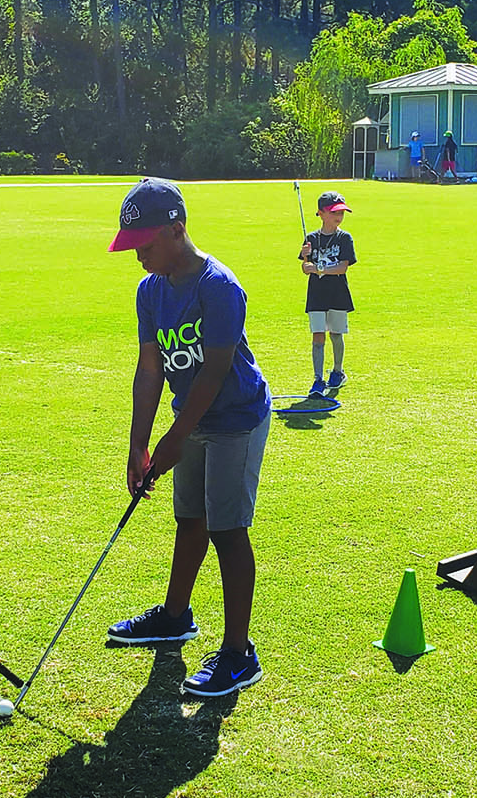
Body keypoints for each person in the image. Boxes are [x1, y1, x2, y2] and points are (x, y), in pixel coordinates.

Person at [105, 179, 274, 698]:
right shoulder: (150, 290)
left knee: (227, 530)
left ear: (178, 230)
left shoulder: (219, 287)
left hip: (235, 418)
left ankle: (240, 653)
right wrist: (140, 442)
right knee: (189, 521)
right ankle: (176, 617)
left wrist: (174, 439)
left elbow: (216, 371)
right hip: (192, 419)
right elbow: (150, 367)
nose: (137, 254)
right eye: (131, 244)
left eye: (146, 244)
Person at [299, 191, 357, 397]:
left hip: (337, 294)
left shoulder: (344, 238)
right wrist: (306, 262)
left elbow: (343, 267)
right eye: (334, 212)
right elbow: (306, 269)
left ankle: (337, 372)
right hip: (316, 295)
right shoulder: (311, 239)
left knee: (336, 333)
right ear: (321, 213)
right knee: (318, 335)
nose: (339, 217)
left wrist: (320, 270)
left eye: (341, 212)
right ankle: (317, 379)